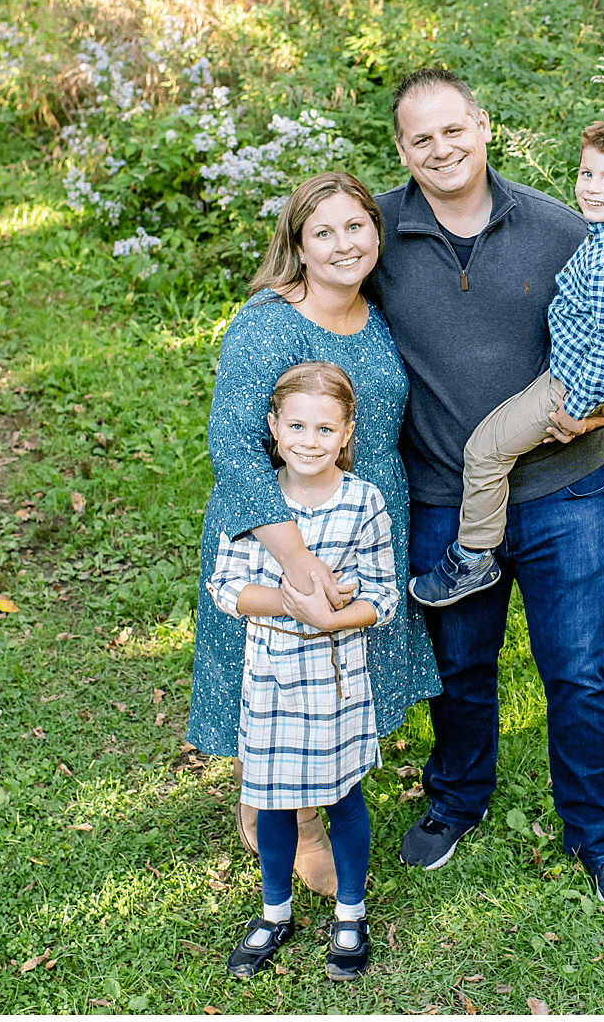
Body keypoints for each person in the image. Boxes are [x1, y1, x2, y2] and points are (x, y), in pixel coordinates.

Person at [368, 67, 604, 910]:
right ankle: (457, 799)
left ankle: (599, 839)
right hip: (442, 496)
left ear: (483, 125)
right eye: (421, 138)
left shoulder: (567, 228)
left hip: (566, 492)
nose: (441, 148)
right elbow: (319, 302)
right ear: (402, 149)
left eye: (454, 130)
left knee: (580, 673)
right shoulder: (377, 231)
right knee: (460, 666)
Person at [186, 171, 441, 897]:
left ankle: (325, 788)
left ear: (376, 232)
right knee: (281, 671)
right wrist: (294, 561)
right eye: (322, 232)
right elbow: (233, 446)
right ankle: (285, 816)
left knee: (335, 676)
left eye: (355, 227)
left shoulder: (379, 314)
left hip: (363, 518)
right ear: (298, 244)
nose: (342, 245)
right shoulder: (266, 323)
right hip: (279, 525)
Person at [412, 119, 604, 608]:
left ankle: (473, 555)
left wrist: (577, 408)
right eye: (586, 174)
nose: (591, 189)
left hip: (570, 381)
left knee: (485, 452)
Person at [206, 361, 392, 980]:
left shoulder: (364, 502)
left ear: (345, 434)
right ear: (273, 427)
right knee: (274, 800)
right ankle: (274, 911)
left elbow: (383, 597)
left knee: (344, 798)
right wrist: (291, 602)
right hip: (274, 680)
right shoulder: (256, 504)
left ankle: (350, 913)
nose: (309, 441)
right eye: (297, 426)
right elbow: (227, 589)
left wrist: (332, 617)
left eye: (324, 429)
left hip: (337, 681)